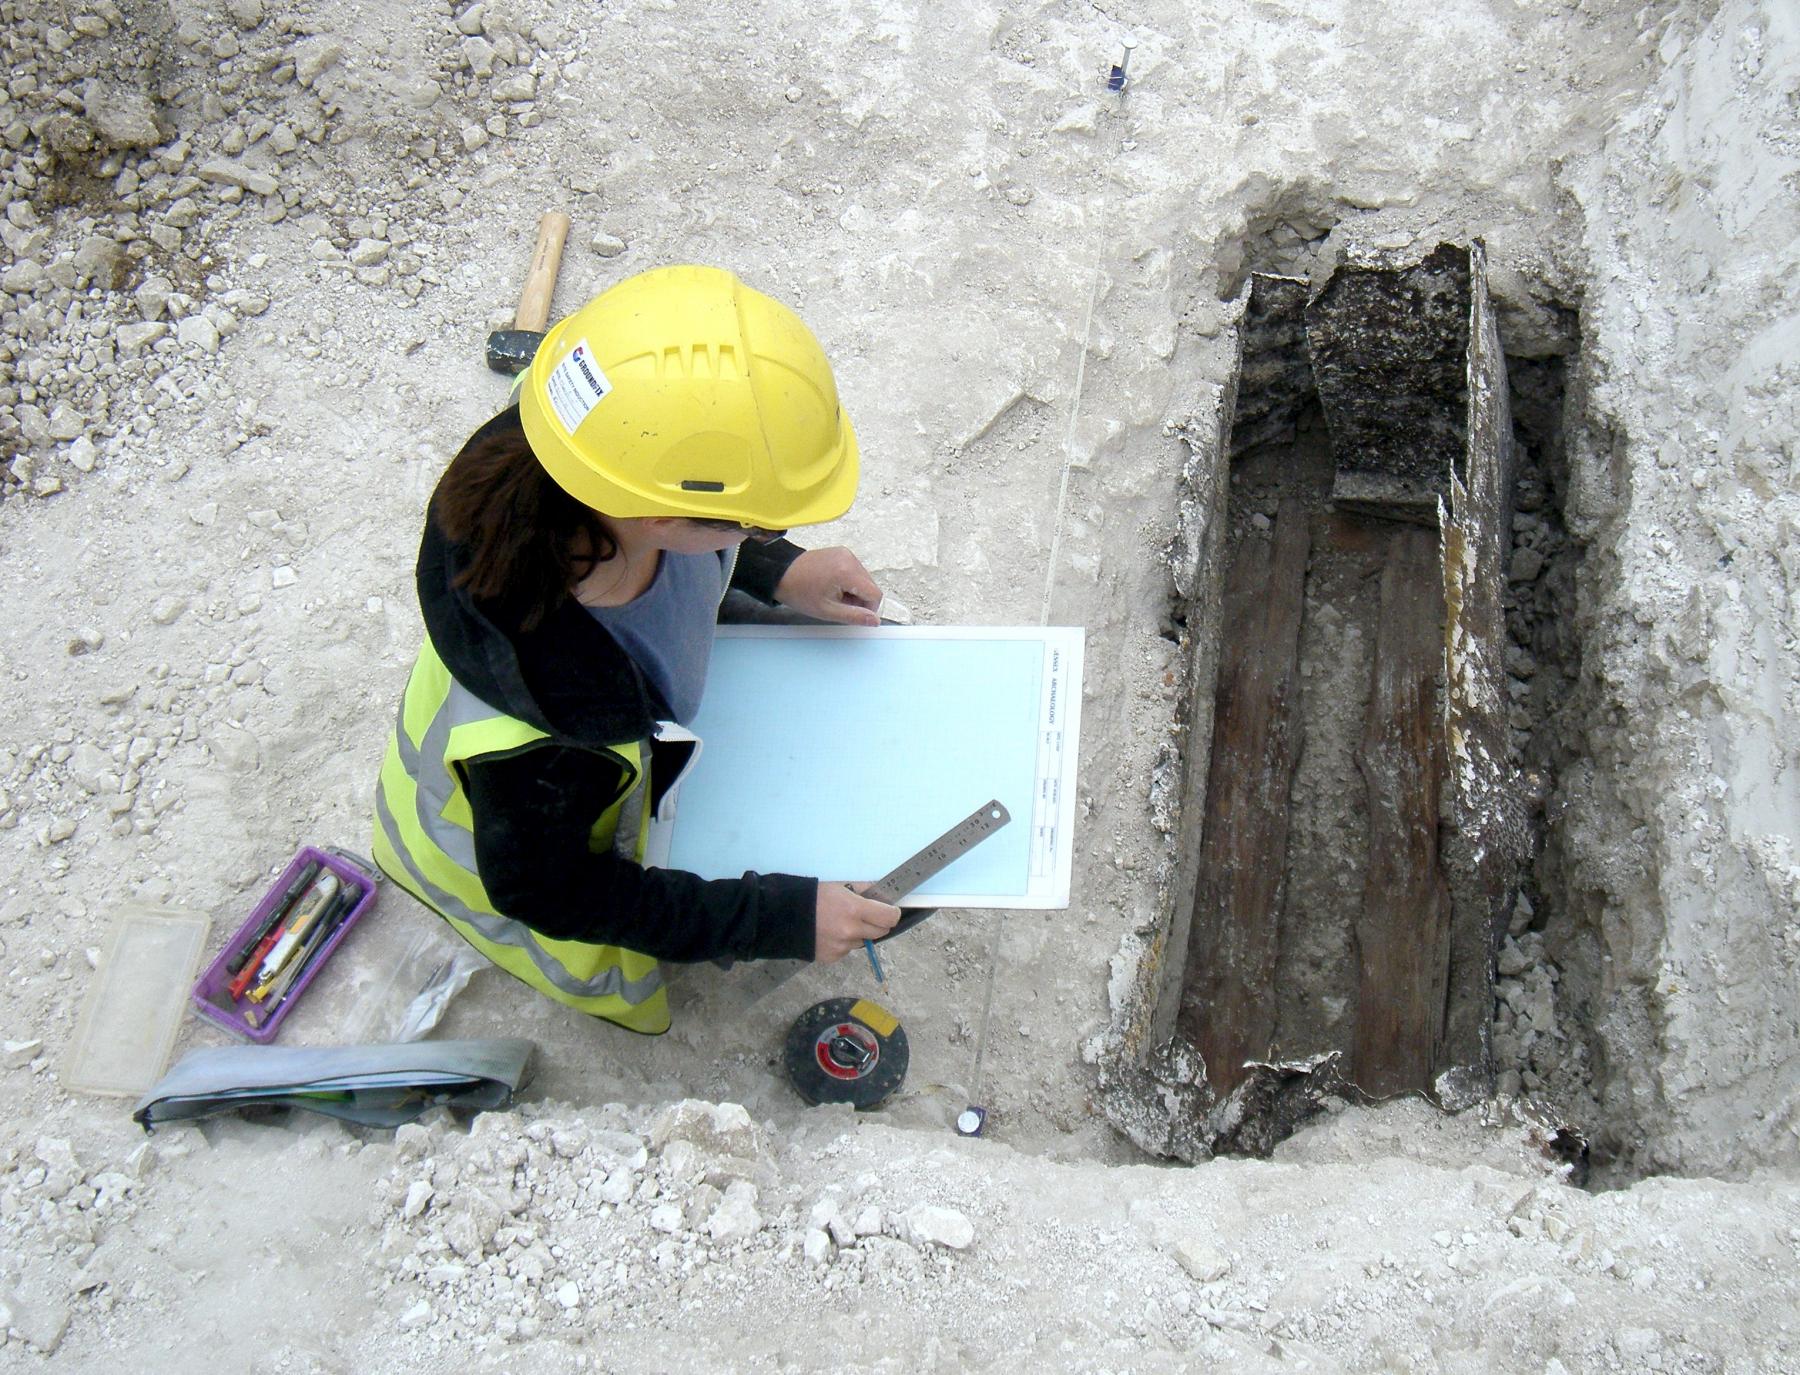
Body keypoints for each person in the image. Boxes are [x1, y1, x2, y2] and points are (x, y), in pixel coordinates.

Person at [371, 265, 901, 1034]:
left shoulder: (596, 443)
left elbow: (706, 533)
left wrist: (784, 570)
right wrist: (776, 918)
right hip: (510, 859)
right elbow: (552, 892)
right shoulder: (543, 736)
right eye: (751, 526)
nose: (756, 535)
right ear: (659, 516)